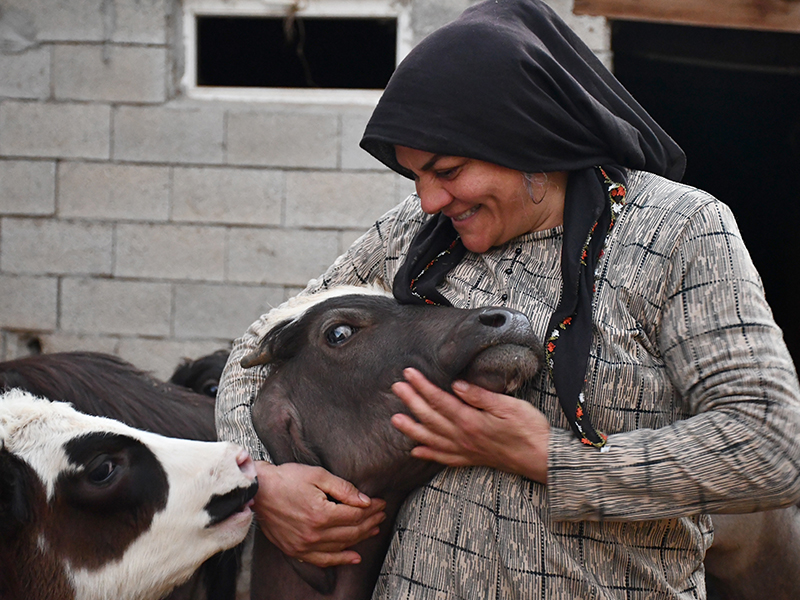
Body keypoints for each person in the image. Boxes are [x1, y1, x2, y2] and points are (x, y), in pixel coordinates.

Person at [216, 1, 800, 598]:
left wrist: (550, 458)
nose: (428, 201)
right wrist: (262, 481)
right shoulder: (412, 239)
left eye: (448, 169)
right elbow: (254, 357)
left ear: (530, 136)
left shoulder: (677, 232)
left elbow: (771, 443)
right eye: (414, 176)